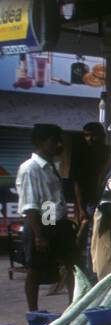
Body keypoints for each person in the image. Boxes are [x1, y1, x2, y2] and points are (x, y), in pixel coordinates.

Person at [17, 124, 75, 311]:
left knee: (72, 266)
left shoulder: (52, 166)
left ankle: (73, 308)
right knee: (34, 270)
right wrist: (39, 235)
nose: (58, 145)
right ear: (41, 143)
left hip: (54, 218)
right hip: (40, 221)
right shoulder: (30, 168)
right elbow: (31, 204)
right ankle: (33, 312)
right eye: (53, 141)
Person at [73, 122, 111, 261]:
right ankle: (91, 272)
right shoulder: (81, 154)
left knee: (105, 239)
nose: (89, 139)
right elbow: (76, 183)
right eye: (86, 136)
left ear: (102, 136)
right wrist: (80, 209)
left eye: (92, 135)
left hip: (109, 202)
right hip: (89, 203)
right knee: (91, 240)